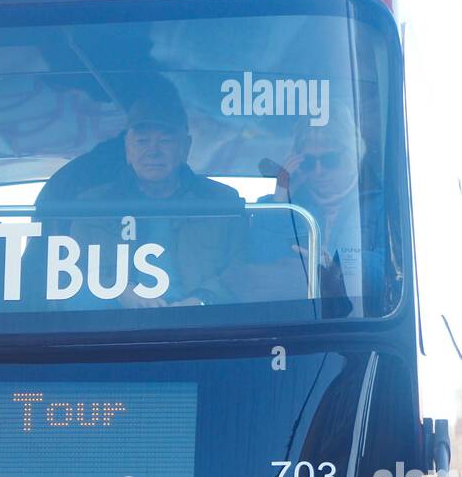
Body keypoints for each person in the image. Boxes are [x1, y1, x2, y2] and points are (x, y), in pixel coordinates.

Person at [34, 72, 247, 308]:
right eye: (142, 141)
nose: (153, 151)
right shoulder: (91, 205)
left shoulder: (222, 202)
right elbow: (75, 269)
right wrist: (120, 290)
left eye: (165, 141)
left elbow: (242, 267)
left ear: (185, 148)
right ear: (128, 149)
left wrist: (201, 301)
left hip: (204, 326)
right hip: (120, 326)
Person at [255, 105, 387, 316]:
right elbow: (255, 260)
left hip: (363, 323)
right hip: (297, 320)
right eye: (308, 162)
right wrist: (282, 196)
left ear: (353, 156)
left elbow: (393, 270)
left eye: (329, 160)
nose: (319, 171)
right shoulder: (283, 204)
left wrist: (334, 263)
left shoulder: (385, 202)